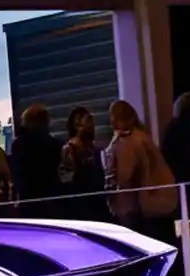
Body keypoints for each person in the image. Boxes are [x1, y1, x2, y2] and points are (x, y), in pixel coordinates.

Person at [102, 99, 177, 232]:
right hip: (154, 200)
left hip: (135, 205)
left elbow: (125, 175)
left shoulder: (127, 141)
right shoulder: (143, 136)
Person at [10, 103, 62, 217]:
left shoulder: (18, 144)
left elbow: (16, 173)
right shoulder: (53, 144)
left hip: (27, 200)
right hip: (50, 199)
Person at [59, 106, 109, 221]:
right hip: (81, 207)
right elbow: (67, 181)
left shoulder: (93, 149)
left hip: (98, 204)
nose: (91, 127)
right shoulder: (70, 149)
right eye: (86, 123)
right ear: (76, 126)